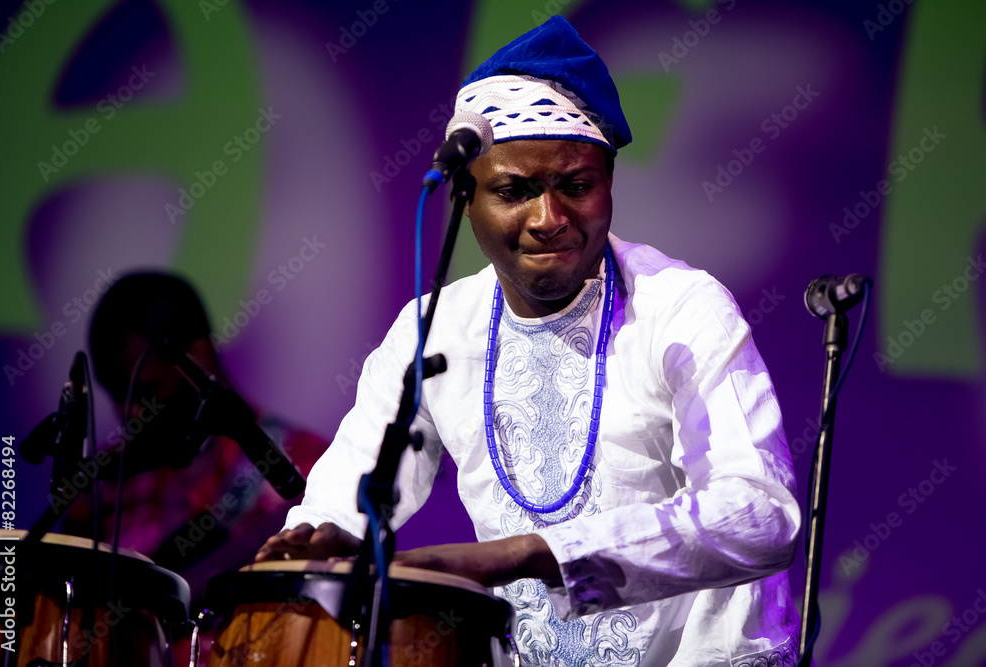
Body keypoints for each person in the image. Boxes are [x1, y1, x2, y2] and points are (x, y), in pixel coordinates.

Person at [257, 16, 800, 666]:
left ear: (608, 182)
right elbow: (347, 493)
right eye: (515, 191)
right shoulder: (435, 330)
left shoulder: (680, 308)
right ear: (466, 197)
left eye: (576, 186)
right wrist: (325, 538)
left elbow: (760, 513)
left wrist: (523, 554)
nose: (550, 219)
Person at [65, 271, 328, 604]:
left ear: (199, 358)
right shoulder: (105, 481)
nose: (129, 412)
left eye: (145, 390)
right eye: (116, 394)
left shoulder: (309, 464)